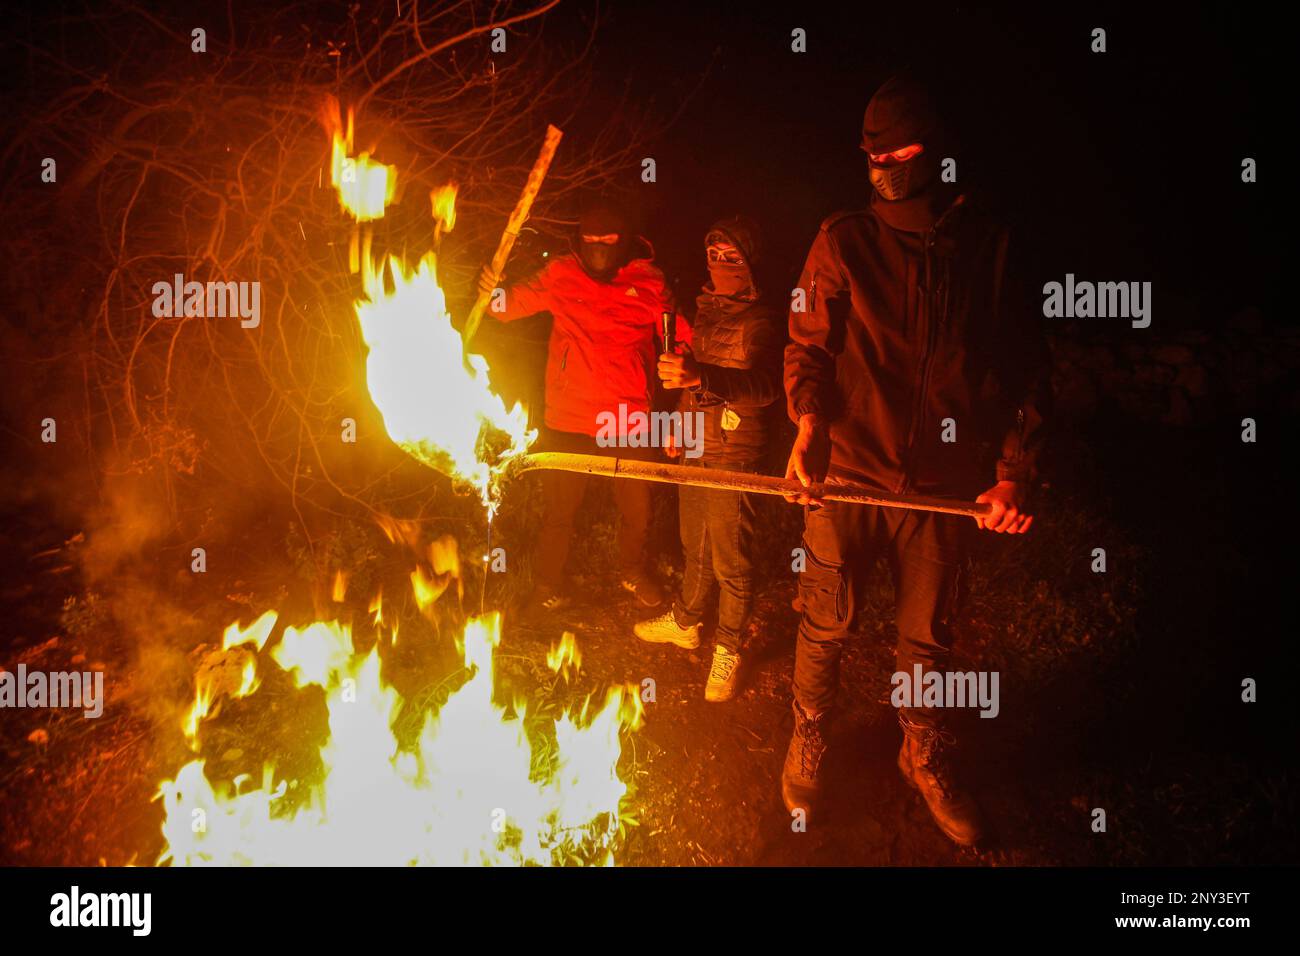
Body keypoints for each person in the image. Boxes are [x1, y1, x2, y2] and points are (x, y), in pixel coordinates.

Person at [780, 74, 1051, 845]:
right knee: (823, 622)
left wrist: (1013, 471)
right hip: (849, 475)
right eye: (872, 154)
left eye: (901, 150)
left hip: (944, 483)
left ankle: (922, 753)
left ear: (936, 151)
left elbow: (1027, 366)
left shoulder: (988, 248)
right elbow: (807, 342)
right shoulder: (843, 240)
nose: (885, 166)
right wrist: (806, 424)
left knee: (927, 637)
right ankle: (809, 737)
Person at [483, 205, 689, 615]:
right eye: (590, 242)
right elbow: (505, 307)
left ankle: (632, 570)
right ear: (579, 241)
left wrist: (681, 397)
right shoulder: (561, 273)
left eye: (609, 242)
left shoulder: (649, 281)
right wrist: (493, 289)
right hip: (568, 415)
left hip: (628, 417)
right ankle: (547, 583)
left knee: (637, 508)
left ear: (625, 242)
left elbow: (681, 337)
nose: (598, 250)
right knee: (560, 511)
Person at [635, 216, 782, 701]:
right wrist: (679, 422)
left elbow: (765, 389)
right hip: (698, 442)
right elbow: (692, 376)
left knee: (731, 561)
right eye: (714, 257)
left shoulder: (763, 319)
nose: (720, 265)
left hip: (735, 452)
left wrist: (702, 379)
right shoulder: (708, 309)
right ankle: (686, 621)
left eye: (732, 258)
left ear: (751, 264)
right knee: (692, 544)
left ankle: (729, 648)